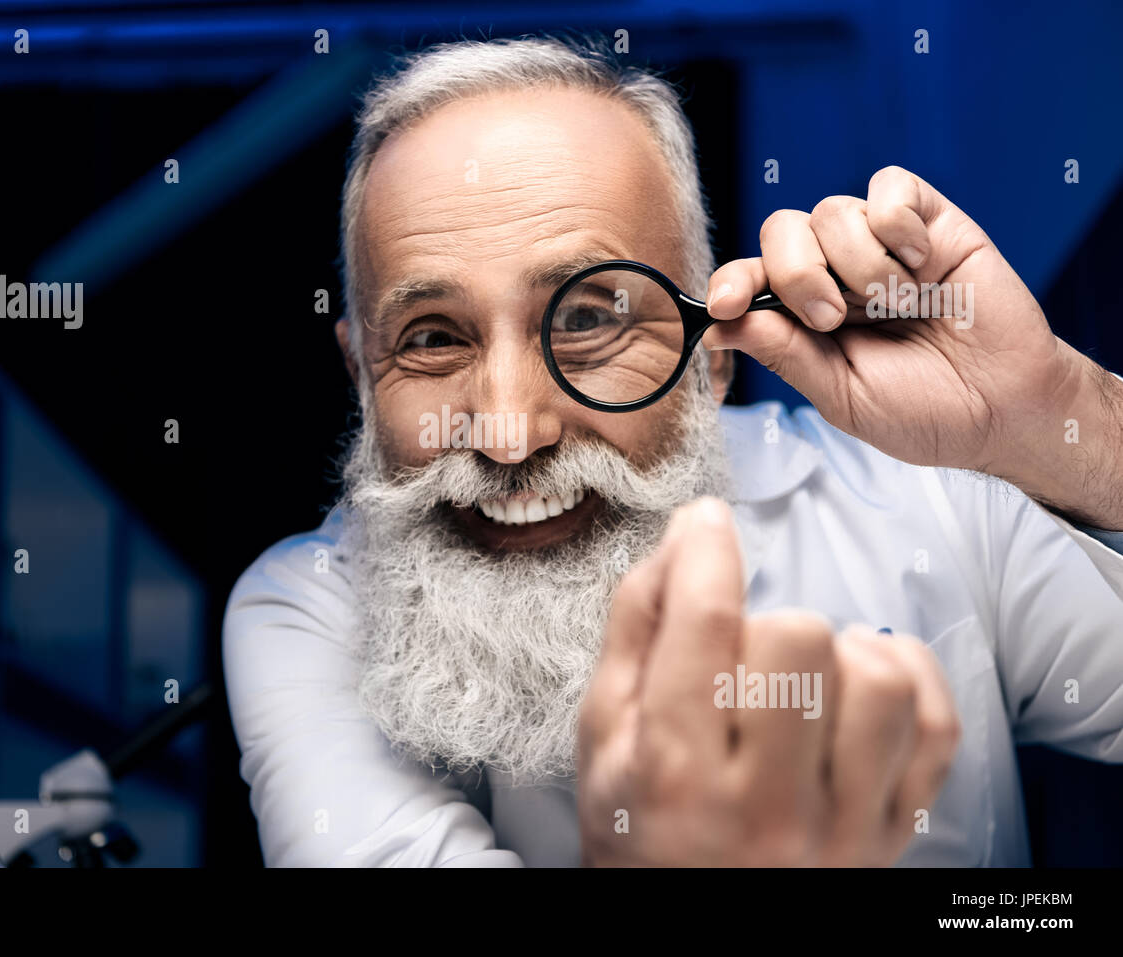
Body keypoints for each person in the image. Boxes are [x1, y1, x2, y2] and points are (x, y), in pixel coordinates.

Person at [222, 35, 1123, 866]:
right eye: (430, 338)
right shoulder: (307, 608)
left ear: (713, 351)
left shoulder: (932, 497)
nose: (506, 430)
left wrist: (1063, 415)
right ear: (360, 377)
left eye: (585, 319)